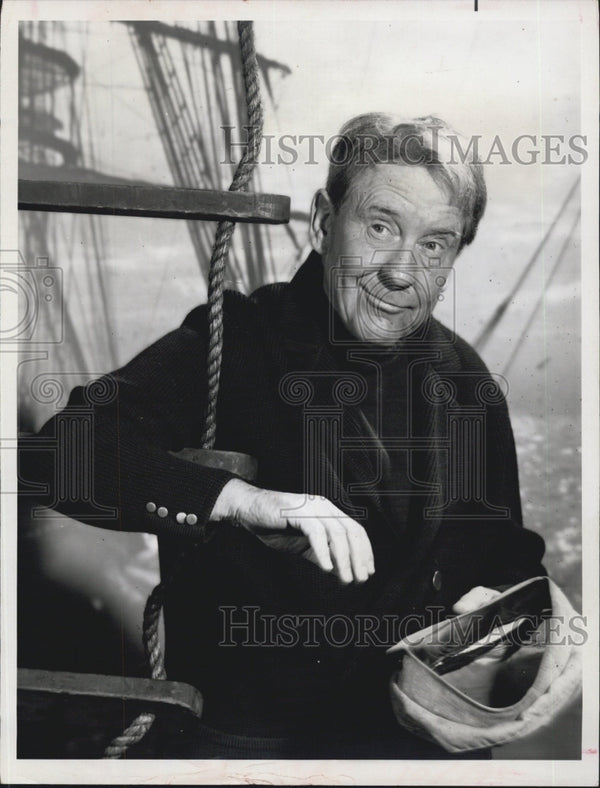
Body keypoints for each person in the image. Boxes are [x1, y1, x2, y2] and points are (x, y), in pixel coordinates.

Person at [20, 113, 546, 759]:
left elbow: (508, 552)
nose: (403, 271)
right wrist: (242, 499)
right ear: (325, 222)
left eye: (435, 244)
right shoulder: (234, 340)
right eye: (381, 227)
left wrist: (495, 612)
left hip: (420, 749)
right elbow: (59, 456)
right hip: (253, 751)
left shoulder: (466, 378)